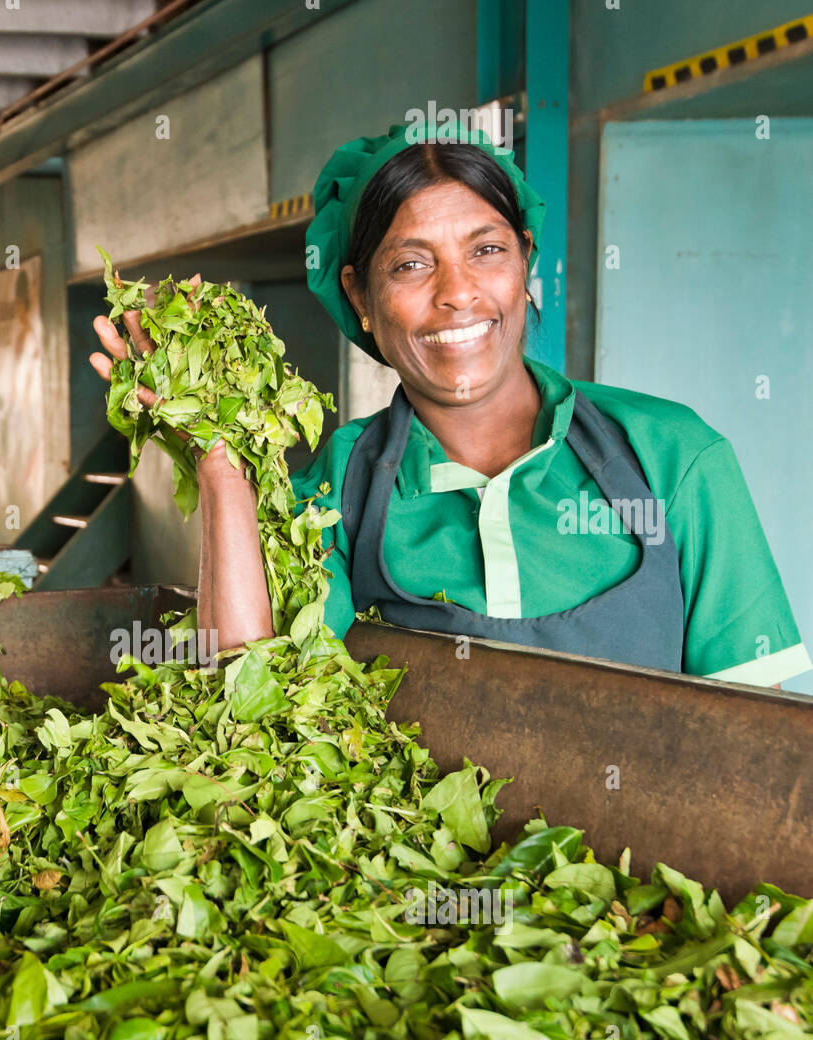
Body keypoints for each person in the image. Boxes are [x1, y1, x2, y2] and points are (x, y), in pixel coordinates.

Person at [90, 115, 809, 691]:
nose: (457, 291)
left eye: (486, 250)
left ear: (525, 262)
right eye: (410, 263)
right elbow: (247, 694)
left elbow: (752, 736)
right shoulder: (335, 490)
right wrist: (220, 466)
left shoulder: (673, 455)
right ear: (359, 298)